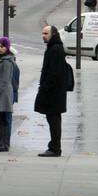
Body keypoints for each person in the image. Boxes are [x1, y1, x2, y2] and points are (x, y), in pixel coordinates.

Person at [35, 24, 69, 157]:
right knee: (54, 119)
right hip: (55, 92)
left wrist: (45, 88)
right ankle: (54, 146)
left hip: (53, 93)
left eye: (46, 33)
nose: (43, 36)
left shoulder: (55, 49)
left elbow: (53, 73)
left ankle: (55, 148)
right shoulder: (55, 48)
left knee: (53, 120)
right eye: (42, 33)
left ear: (53, 34)